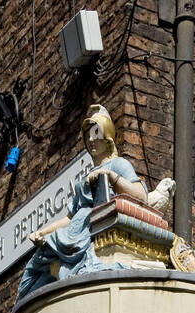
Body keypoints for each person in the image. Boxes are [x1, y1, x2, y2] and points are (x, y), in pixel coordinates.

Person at [16, 105, 148, 302]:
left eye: (96, 132)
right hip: (74, 231)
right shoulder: (83, 178)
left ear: (107, 135)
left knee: (64, 271)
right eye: (88, 135)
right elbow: (69, 218)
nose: (92, 139)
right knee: (35, 266)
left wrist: (112, 178)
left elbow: (141, 197)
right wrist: (43, 232)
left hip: (93, 228)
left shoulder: (118, 165)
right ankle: (29, 301)